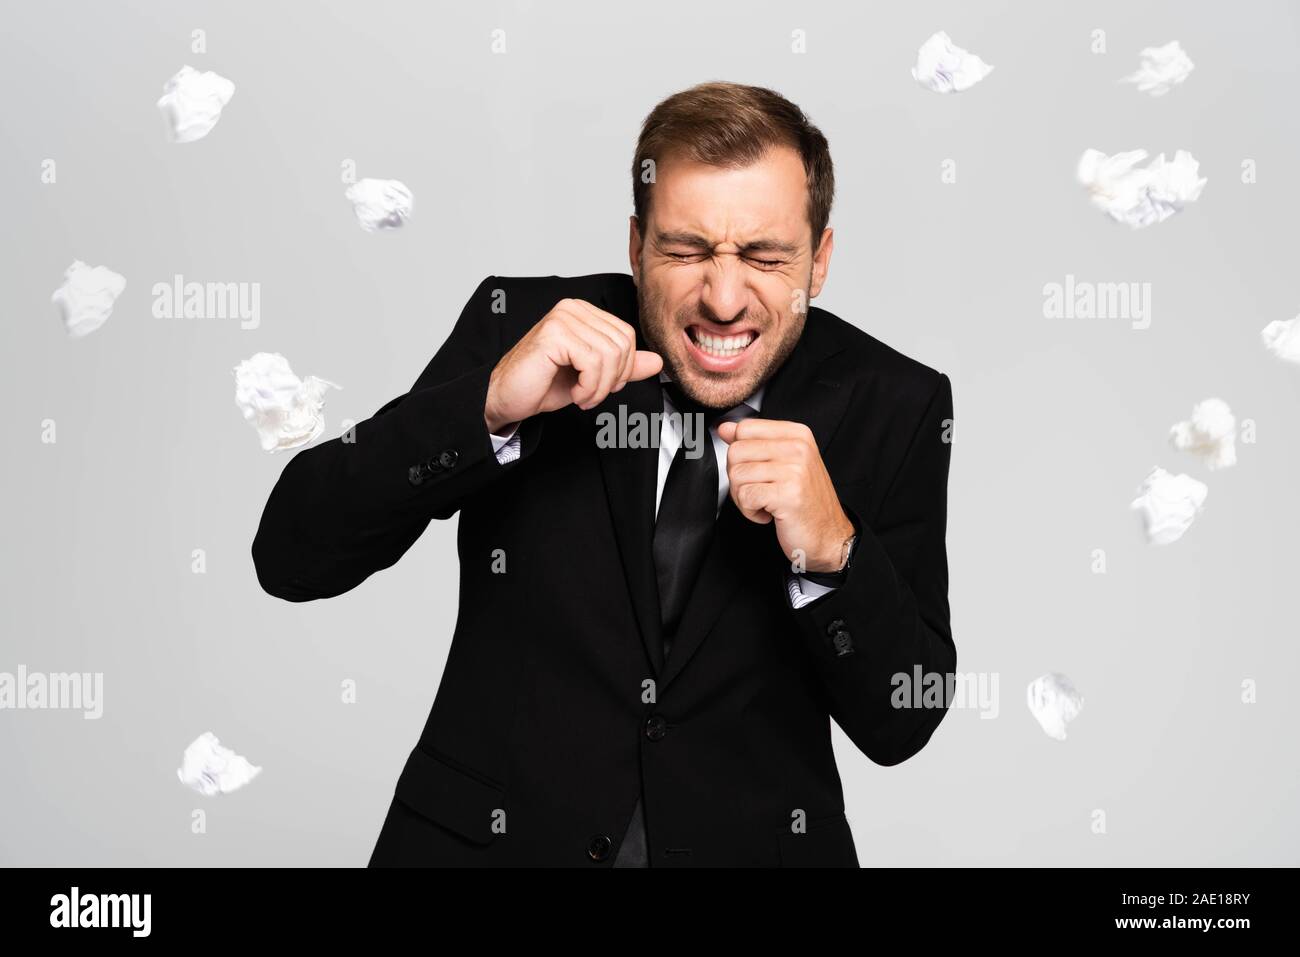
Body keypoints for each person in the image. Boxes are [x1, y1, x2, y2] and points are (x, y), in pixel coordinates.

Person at [252, 81, 956, 867]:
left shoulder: (898, 403)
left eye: (765, 256)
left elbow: (904, 718)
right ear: (635, 246)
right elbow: (289, 556)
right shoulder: (518, 328)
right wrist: (484, 411)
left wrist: (835, 554)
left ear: (819, 261)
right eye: (686, 251)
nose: (723, 299)